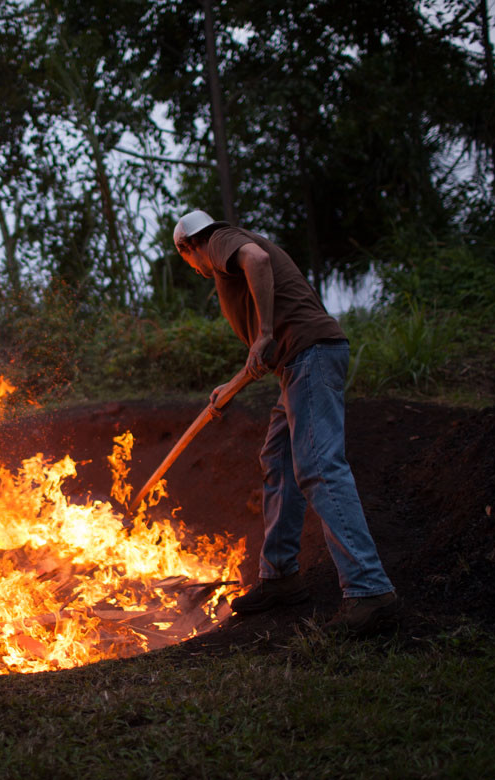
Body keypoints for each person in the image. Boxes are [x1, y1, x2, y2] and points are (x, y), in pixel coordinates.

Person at [172, 209, 398, 635]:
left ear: (188, 247)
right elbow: (266, 341)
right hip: (297, 365)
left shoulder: (218, 240)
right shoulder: (226, 248)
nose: (194, 268)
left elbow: (256, 260)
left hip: (309, 356)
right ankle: (280, 578)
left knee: (319, 466)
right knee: (278, 460)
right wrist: (237, 377)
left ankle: (370, 591)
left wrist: (264, 333)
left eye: (186, 259)